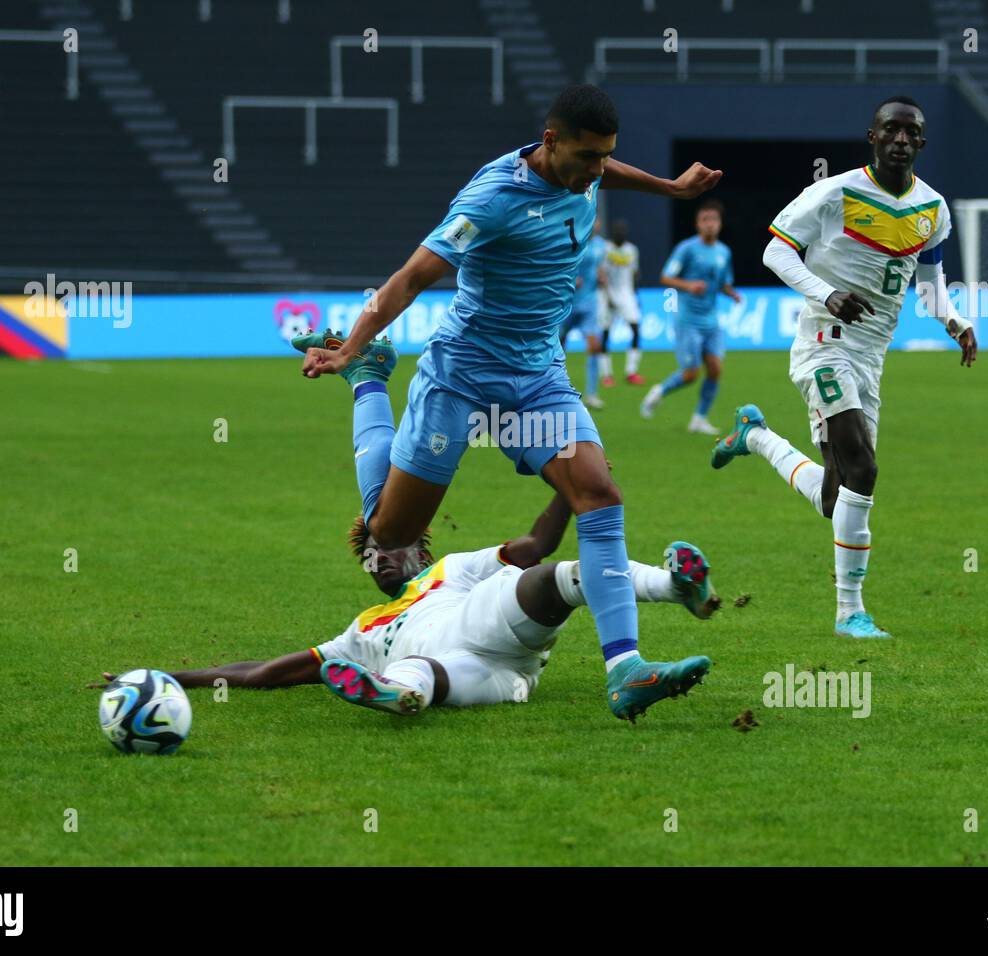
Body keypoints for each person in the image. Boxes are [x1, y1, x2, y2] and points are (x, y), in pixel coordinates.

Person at [295, 84, 722, 720]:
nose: (597, 170)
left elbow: (605, 172)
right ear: (551, 142)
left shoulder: (583, 170)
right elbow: (411, 277)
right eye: (588, 156)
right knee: (390, 541)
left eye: (606, 155)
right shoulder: (492, 199)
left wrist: (669, 188)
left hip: (538, 379)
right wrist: (350, 347)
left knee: (598, 494)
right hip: (461, 377)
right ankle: (367, 379)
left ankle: (625, 669)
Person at [711, 96, 976, 639]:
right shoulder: (834, 193)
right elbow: (775, 252)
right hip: (823, 344)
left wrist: (954, 321)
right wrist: (826, 294)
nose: (900, 139)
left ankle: (755, 437)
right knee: (865, 469)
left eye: (910, 132)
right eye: (890, 130)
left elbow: (928, 280)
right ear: (872, 137)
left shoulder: (933, 208)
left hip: (871, 356)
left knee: (836, 497)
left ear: (922, 142)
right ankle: (849, 612)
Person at [93, 494, 720, 723]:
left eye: (389, 546)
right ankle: (396, 697)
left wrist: (571, 489)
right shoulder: (360, 631)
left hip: (490, 623)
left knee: (555, 577)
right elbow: (263, 672)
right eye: (371, 556)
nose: (380, 559)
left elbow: (536, 543)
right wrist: (173, 676)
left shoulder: (455, 569)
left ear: (421, 547)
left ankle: (676, 587)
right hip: (486, 676)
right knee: (422, 675)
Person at [642, 198, 742, 434]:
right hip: (688, 320)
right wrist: (689, 286)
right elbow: (665, 277)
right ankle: (659, 391)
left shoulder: (723, 252)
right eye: (705, 219)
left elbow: (722, 282)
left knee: (715, 369)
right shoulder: (686, 249)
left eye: (713, 219)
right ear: (698, 224)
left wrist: (732, 294)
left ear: (720, 223)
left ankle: (699, 419)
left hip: (711, 320)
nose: (710, 224)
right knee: (691, 374)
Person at [559, 217, 607, 409]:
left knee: (594, 345)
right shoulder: (572, 240)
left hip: (589, 302)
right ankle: (556, 389)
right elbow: (558, 266)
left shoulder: (601, 245)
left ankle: (592, 394)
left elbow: (599, 267)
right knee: (558, 347)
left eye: (597, 221)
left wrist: (601, 277)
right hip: (567, 302)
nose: (596, 224)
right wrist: (570, 280)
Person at [597, 219, 644, 386]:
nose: (620, 234)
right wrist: (607, 297)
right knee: (605, 333)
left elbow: (634, 273)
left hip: (626, 294)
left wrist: (636, 296)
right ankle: (607, 374)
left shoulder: (632, 250)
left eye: (623, 231)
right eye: (617, 231)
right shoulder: (605, 248)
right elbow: (600, 273)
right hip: (607, 294)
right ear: (613, 233)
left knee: (636, 330)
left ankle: (631, 372)